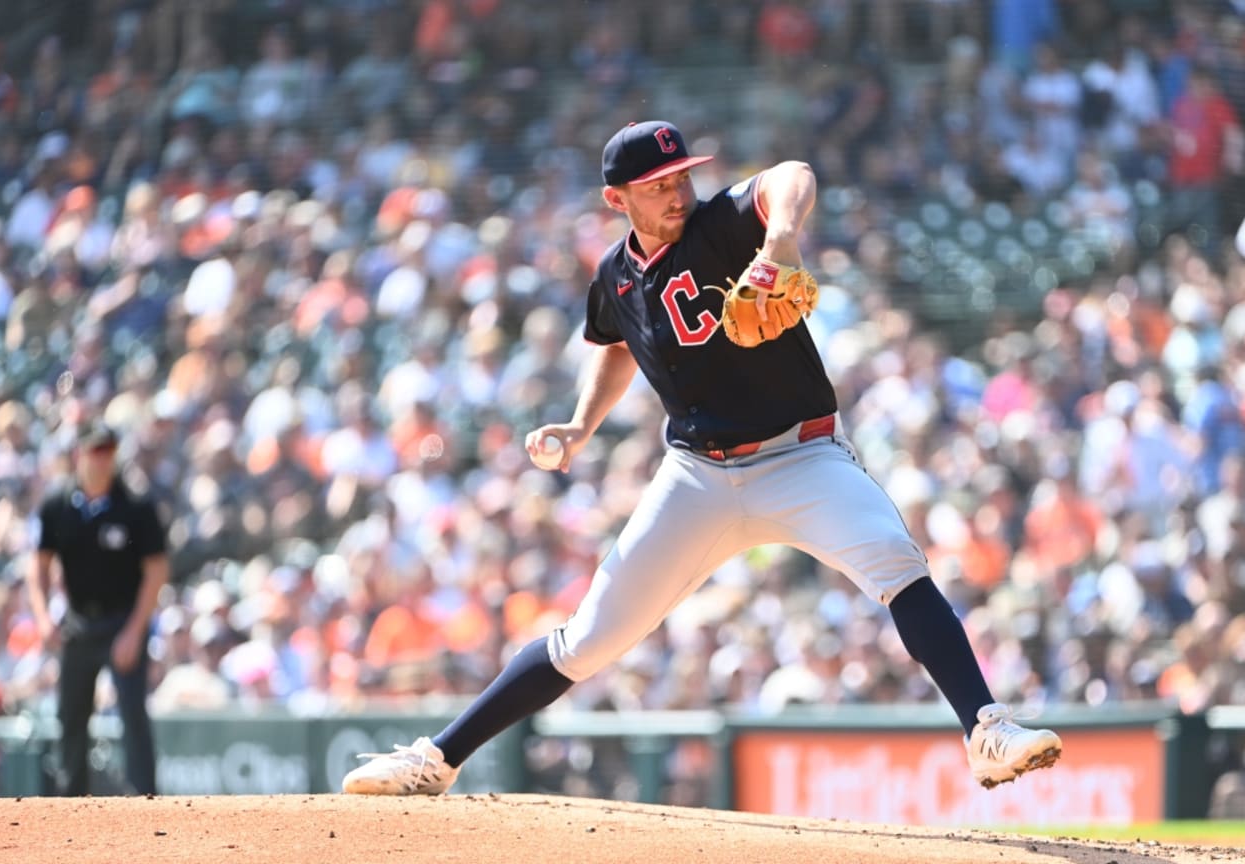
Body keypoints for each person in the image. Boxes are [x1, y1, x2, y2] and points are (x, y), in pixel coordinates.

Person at [343, 120, 1062, 796]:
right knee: (586, 640)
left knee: (899, 568)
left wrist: (780, 240)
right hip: (697, 475)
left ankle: (985, 730)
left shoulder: (721, 225)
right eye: (658, 184)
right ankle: (436, 759)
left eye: (681, 175)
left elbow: (792, 173)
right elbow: (614, 343)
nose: (676, 190)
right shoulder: (615, 276)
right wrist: (580, 424)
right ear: (615, 199)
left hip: (802, 456)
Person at [25, 421, 168, 796]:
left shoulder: (135, 504)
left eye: (108, 451)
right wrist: (43, 616)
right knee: (71, 717)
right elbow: (38, 563)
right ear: (79, 454)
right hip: (78, 621)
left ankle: (145, 799)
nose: (102, 459)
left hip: (123, 620)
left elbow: (156, 571)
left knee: (133, 717)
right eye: (95, 451)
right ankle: (71, 803)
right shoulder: (57, 504)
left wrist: (135, 632)